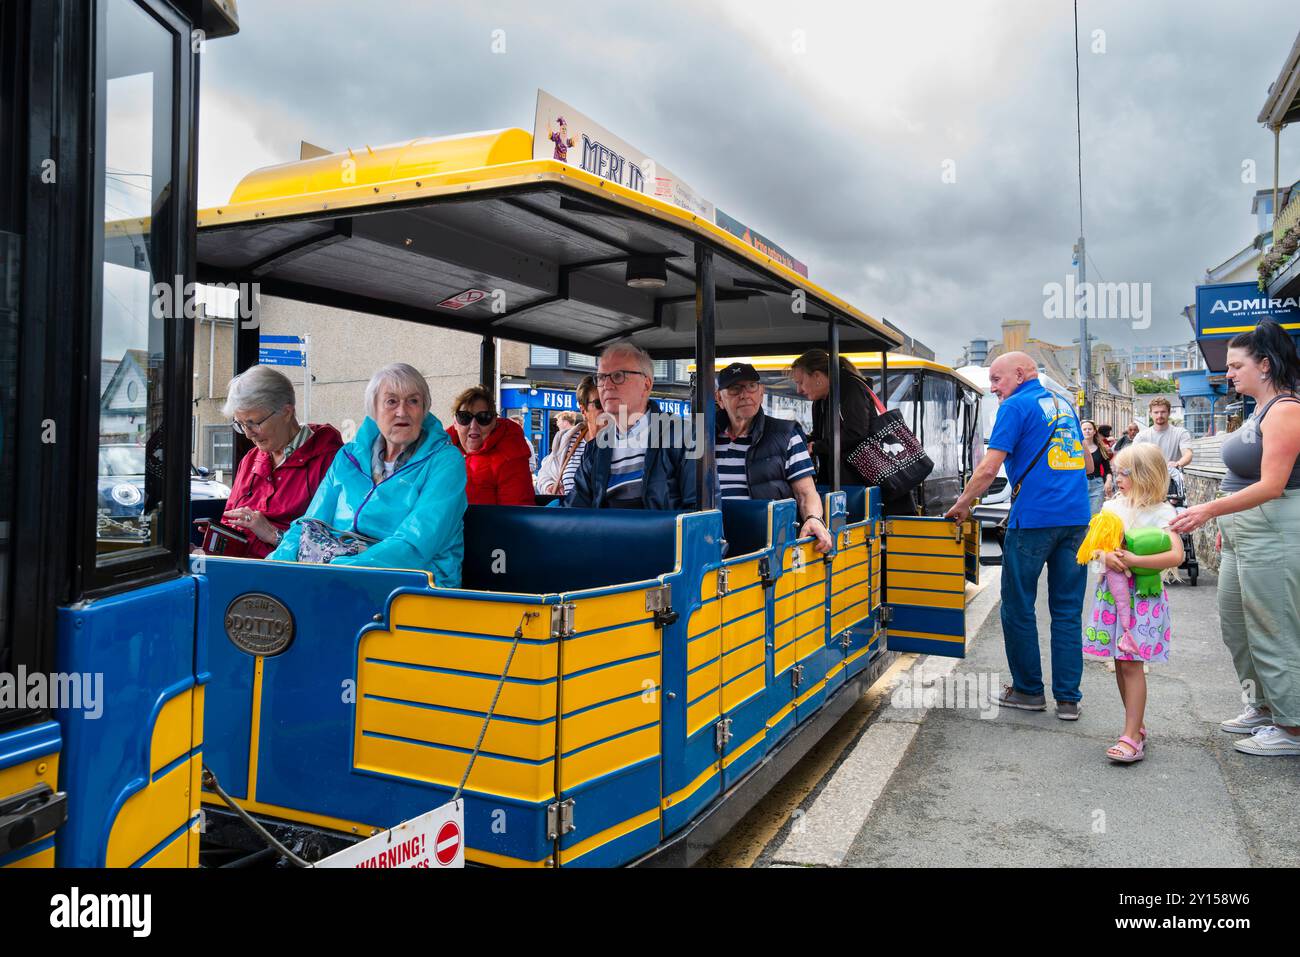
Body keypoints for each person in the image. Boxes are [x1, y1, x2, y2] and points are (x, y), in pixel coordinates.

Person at [1169, 320, 1300, 755]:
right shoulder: (1257, 410)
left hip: (1274, 530)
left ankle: (1293, 726)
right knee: (1237, 626)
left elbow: (1271, 485)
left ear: (1265, 364)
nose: (1228, 374)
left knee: (1274, 627)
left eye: (1236, 365)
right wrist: (1228, 528)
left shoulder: (1286, 410)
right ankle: (1264, 706)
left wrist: (1207, 510)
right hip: (1245, 533)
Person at [944, 351, 1092, 718]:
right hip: (1076, 519)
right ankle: (1069, 699)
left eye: (997, 379)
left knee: (1018, 606)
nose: (993, 388)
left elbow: (988, 467)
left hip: (1035, 519)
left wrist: (963, 504)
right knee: (1067, 611)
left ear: (1022, 374)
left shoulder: (1014, 407)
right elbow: (1087, 463)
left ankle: (1028, 690)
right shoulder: (1062, 404)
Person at [269, 363, 467, 586]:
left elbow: (415, 545)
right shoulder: (348, 456)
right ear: (374, 408)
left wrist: (340, 572)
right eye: (391, 401)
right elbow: (311, 523)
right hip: (339, 574)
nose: (402, 411)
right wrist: (275, 565)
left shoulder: (446, 461)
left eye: (413, 401)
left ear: (424, 409)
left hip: (418, 583)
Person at [1077, 443, 1184, 762]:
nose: (1118, 478)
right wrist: (1105, 555)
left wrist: (1137, 559)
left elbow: (1176, 555)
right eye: (1116, 471)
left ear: (1146, 475)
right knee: (1121, 665)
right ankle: (1135, 728)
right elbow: (1093, 551)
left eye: (1125, 472)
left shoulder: (1164, 512)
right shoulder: (1111, 508)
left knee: (1133, 664)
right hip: (1112, 596)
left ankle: (1131, 736)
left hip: (1143, 600)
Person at [211, 365, 342, 558]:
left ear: (286, 412)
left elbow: (335, 546)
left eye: (253, 422)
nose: (248, 434)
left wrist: (274, 535)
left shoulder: (330, 461)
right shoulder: (250, 460)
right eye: (241, 425)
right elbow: (229, 521)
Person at [715, 362, 833, 553]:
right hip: (713, 540)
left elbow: (806, 493)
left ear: (761, 393)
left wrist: (813, 518)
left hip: (768, 543)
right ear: (719, 398)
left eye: (751, 387)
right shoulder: (703, 437)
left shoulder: (787, 434)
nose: (745, 395)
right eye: (735, 389)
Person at [564, 341, 696, 510]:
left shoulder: (686, 437)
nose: (606, 385)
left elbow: (701, 515)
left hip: (665, 537)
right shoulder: (595, 449)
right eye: (602, 377)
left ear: (646, 385)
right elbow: (574, 511)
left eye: (618, 376)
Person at [790, 349, 917, 516]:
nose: (799, 390)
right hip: (847, 482)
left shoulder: (850, 388)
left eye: (800, 382)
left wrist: (817, 446)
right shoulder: (821, 401)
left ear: (818, 377)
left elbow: (856, 433)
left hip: (865, 481)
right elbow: (822, 436)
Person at [447, 385, 535, 506]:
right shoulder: (440, 452)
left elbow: (516, 515)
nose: (473, 426)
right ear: (455, 423)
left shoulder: (511, 457)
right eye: (464, 417)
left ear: (494, 422)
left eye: (483, 418)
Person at [536, 376, 599, 496]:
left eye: (611, 402)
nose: (607, 408)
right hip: (571, 513)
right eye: (599, 404)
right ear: (583, 409)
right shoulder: (569, 440)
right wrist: (549, 486)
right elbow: (545, 474)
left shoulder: (624, 441)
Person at [1135, 398, 1192, 494]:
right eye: (1156, 412)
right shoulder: (1141, 436)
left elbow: (1188, 454)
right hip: (1147, 482)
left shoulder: (1180, 433)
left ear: (1169, 413)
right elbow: (1132, 457)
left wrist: (1178, 463)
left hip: (1171, 482)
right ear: (1150, 414)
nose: (1159, 415)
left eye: (1163, 412)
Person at [1081, 419, 1113, 512]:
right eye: (1084, 429)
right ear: (1080, 431)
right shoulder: (1075, 448)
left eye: (1090, 429)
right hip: (1081, 485)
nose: (1087, 431)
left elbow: (1108, 469)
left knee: (1095, 515)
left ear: (1094, 431)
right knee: (1083, 517)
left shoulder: (1101, 448)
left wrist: (1109, 481)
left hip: (1097, 485)